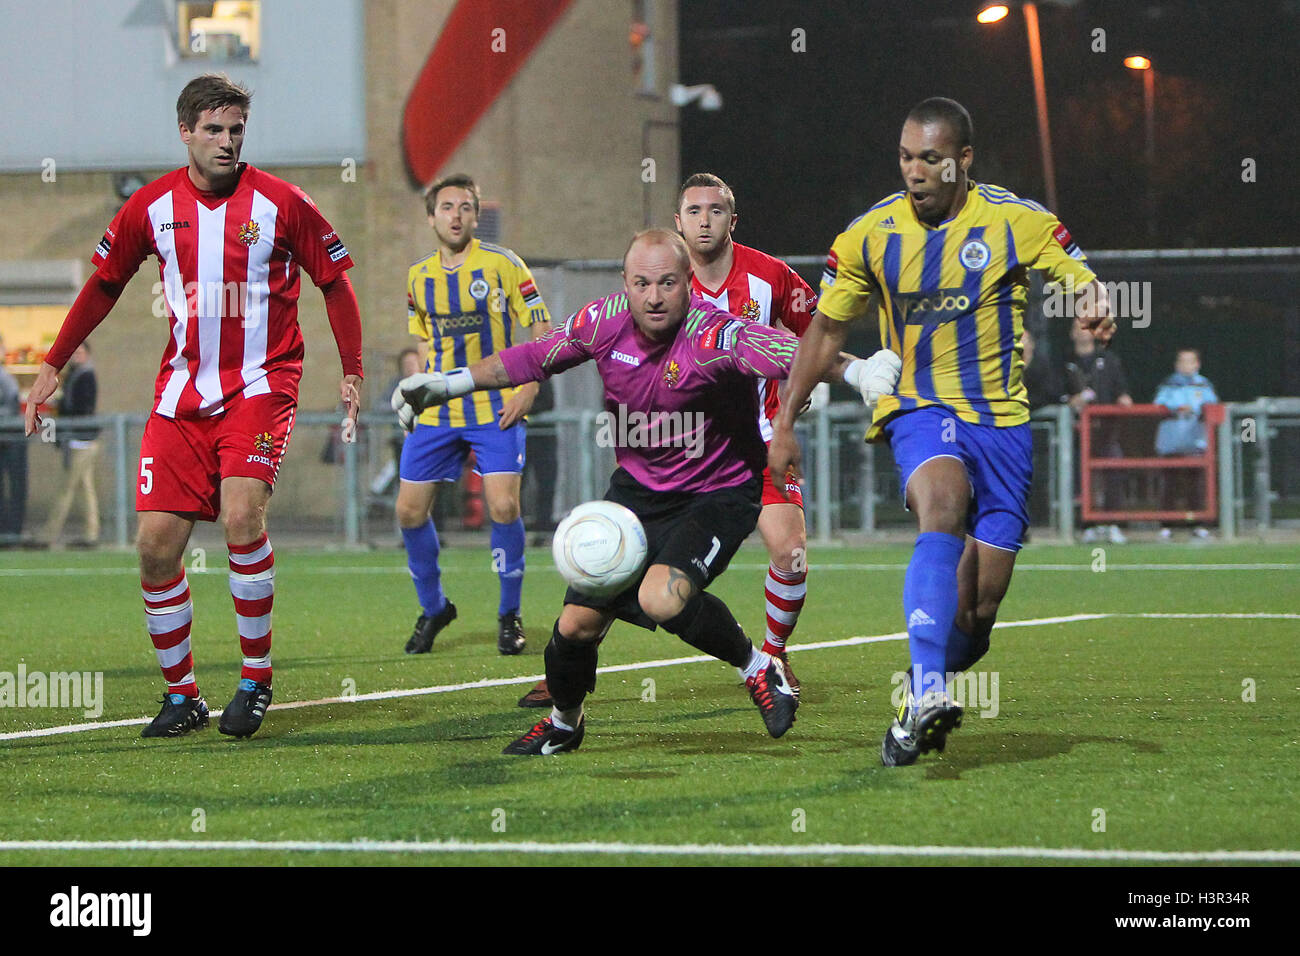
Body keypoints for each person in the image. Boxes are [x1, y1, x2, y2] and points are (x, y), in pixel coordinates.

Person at [394, 229, 901, 755]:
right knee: (574, 627)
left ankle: (758, 668)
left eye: (666, 283)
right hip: (636, 493)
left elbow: (784, 350)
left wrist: (856, 370)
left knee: (660, 597)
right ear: (625, 284)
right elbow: (533, 357)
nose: (654, 296)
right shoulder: (603, 322)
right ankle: (565, 724)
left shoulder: (714, 334)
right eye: (642, 283)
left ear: (687, 284)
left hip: (720, 491)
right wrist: (446, 383)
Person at [769, 97, 1115, 767]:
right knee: (942, 506)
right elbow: (825, 331)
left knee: (978, 618)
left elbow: (1078, 275)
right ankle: (928, 689)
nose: (914, 171)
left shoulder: (1016, 220)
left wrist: (1095, 298)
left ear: (962, 160)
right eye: (905, 157)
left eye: (930, 158)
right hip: (921, 409)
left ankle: (911, 709)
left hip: (1004, 426)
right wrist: (785, 420)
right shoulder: (869, 234)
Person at [24, 73, 364, 739]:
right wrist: (51, 365)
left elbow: (336, 282)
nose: (227, 142)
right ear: (185, 131)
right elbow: (103, 284)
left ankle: (255, 678)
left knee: (241, 514)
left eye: (237, 130)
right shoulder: (149, 207)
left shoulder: (283, 202)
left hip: (262, 386)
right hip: (180, 397)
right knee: (154, 547)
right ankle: (182, 696)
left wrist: (352, 371)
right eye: (214, 130)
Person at [395, 174, 552, 657]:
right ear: (431, 217)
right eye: (446, 207)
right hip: (439, 411)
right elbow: (423, 339)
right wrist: (416, 388)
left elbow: (542, 327)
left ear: (476, 214)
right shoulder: (418, 277)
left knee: (504, 508)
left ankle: (509, 615)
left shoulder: (504, 264)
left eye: (465, 206)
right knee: (407, 512)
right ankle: (435, 607)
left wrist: (528, 388)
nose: (456, 215)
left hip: (494, 405)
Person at [1064, 322, 1133, 543]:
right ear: (1072, 334)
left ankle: (1112, 523)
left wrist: (1124, 398)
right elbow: (1055, 393)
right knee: (1079, 478)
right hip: (1074, 434)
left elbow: (1121, 391)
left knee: (1113, 470)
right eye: (1078, 328)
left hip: (1107, 430)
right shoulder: (1065, 363)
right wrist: (1071, 401)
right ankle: (1086, 526)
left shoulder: (1109, 360)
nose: (1082, 332)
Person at [1154, 348, 1218, 538]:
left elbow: (1212, 404)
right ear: (1176, 365)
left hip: (1195, 443)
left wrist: (1199, 409)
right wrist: (1176, 407)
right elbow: (1159, 403)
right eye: (1182, 361)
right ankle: (1166, 525)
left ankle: (1198, 524)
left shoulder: (1204, 385)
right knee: (1169, 484)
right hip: (1171, 443)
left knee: (1196, 484)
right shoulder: (1168, 384)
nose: (1186, 365)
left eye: (1190, 361)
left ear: (1197, 364)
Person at [43, 342, 100, 547]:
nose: (76, 356)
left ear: (87, 354)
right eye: (74, 352)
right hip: (80, 440)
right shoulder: (74, 375)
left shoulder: (85, 376)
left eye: (80, 352)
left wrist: (63, 405)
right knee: (86, 489)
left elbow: (82, 407)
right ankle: (91, 534)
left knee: (66, 488)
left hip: (81, 441)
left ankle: (49, 534)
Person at [0, 335, 27, 546]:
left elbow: (11, 409)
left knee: (16, 487)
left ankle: (13, 532)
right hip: (7, 442)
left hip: (11, 442)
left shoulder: (6, 379)